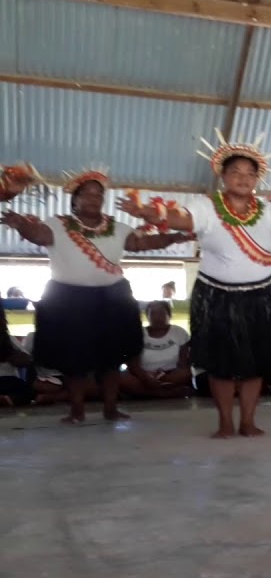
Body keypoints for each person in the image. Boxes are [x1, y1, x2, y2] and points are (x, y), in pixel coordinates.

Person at [116, 132, 271, 437]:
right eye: (236, 172)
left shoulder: (268, 211)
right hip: (216, 296)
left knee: (255, 363)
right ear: (223, 176)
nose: (243, 178)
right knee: (221, 364)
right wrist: (154, 213)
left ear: (257, 180)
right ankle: (224, 422)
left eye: (250, 174)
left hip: (264, 295)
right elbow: (182, 219)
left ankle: (247, 421)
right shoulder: (206, 206)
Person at [2, 169, 191, 423]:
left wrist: (175, 236)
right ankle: (77, 411)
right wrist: (23, 225)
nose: (93, 198)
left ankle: (110, 409)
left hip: (112, 299)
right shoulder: (57, 224)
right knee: (74, 360)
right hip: (67, 301)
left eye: (98, 194)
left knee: (111, 360)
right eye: (87, 194)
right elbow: (38, 235)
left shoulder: (117, 227)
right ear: (75, 200)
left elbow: (142, 244)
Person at [119, 300, 192, 399]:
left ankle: (144, 393)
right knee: (122, 377)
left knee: (185, 374)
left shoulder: (179, 332)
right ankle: (164, 393)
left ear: (169, 315)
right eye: (153, 313)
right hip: (142, 375)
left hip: (170, 375)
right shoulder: (138, 334)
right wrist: (146, 377)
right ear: (147, 316)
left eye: (162, 313)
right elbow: (133, 364)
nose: (157, 317)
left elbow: (183, 364)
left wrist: (163, 377)